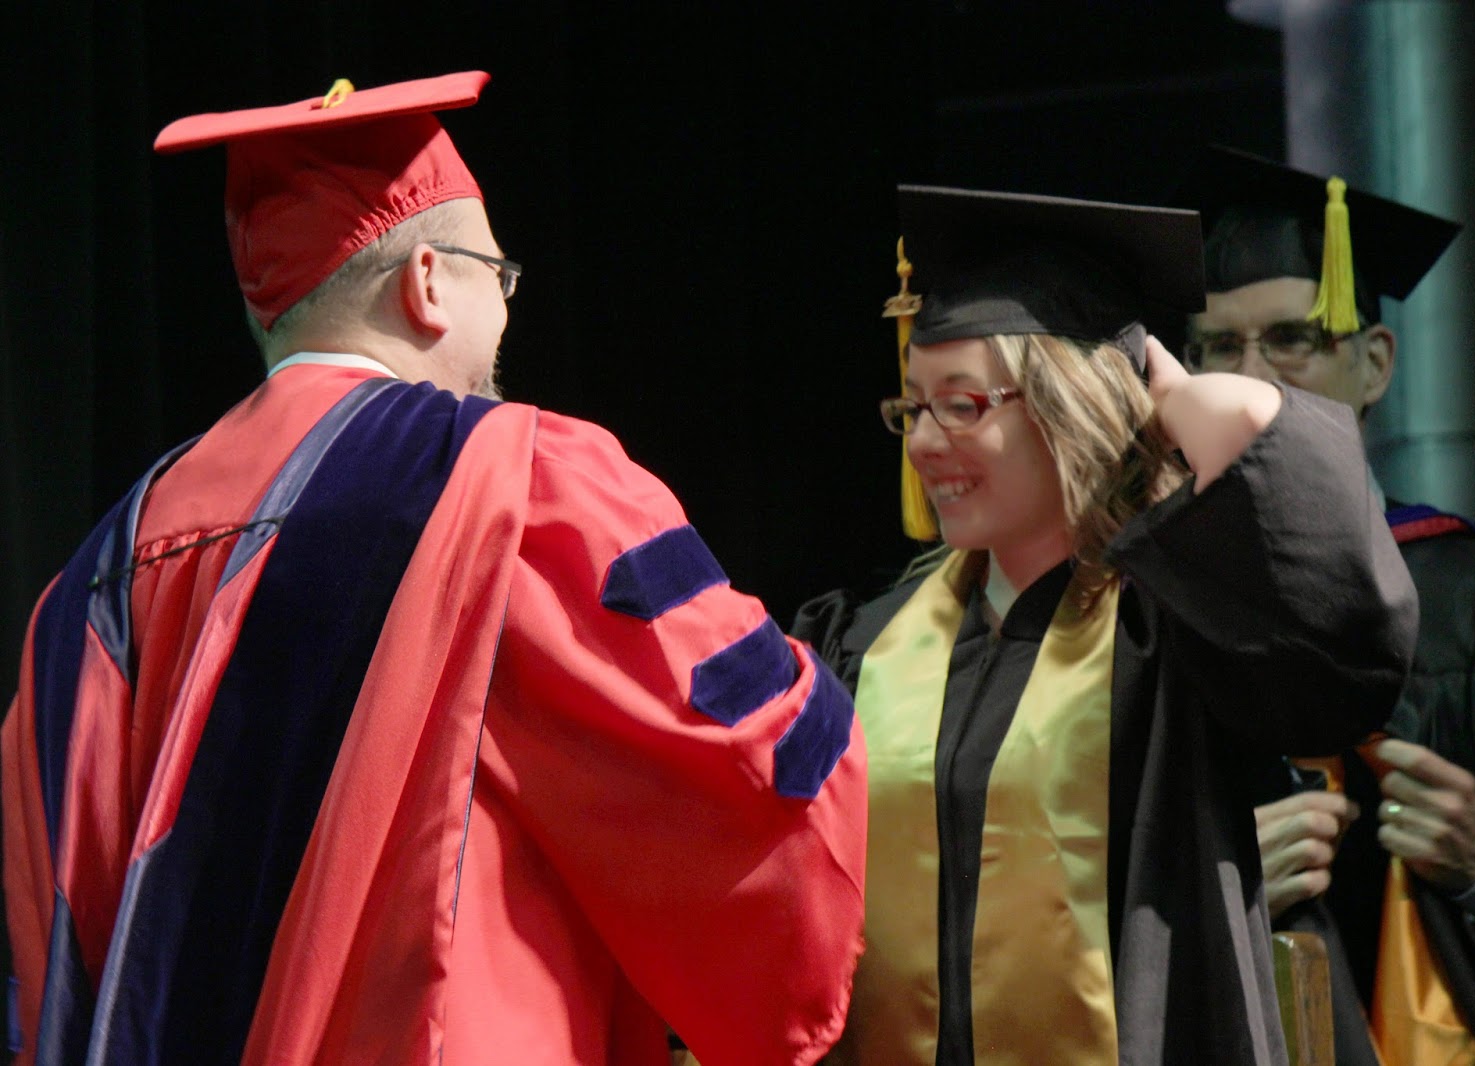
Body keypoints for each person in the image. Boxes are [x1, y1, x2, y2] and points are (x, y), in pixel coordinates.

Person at [0, 72, 867, 1066]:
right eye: (496, 280)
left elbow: (44, 924)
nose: (504, 316)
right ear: (425, 279)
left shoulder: (95, 574)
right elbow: (741, 760)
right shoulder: (515, 482)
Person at [791, 184, 1418, 1066]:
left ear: (1064, 404)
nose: (925, 441)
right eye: (912, 406)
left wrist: (1194, 402)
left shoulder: (1176, 631)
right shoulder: (868, 643)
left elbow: (1343, 653)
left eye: (963, 404)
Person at [1182, 146, 1475, 1065]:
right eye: (1217, 345)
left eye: (1293, 337)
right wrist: (1204, 889)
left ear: (1374, 364)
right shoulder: (1149, 612)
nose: (1252, 374)